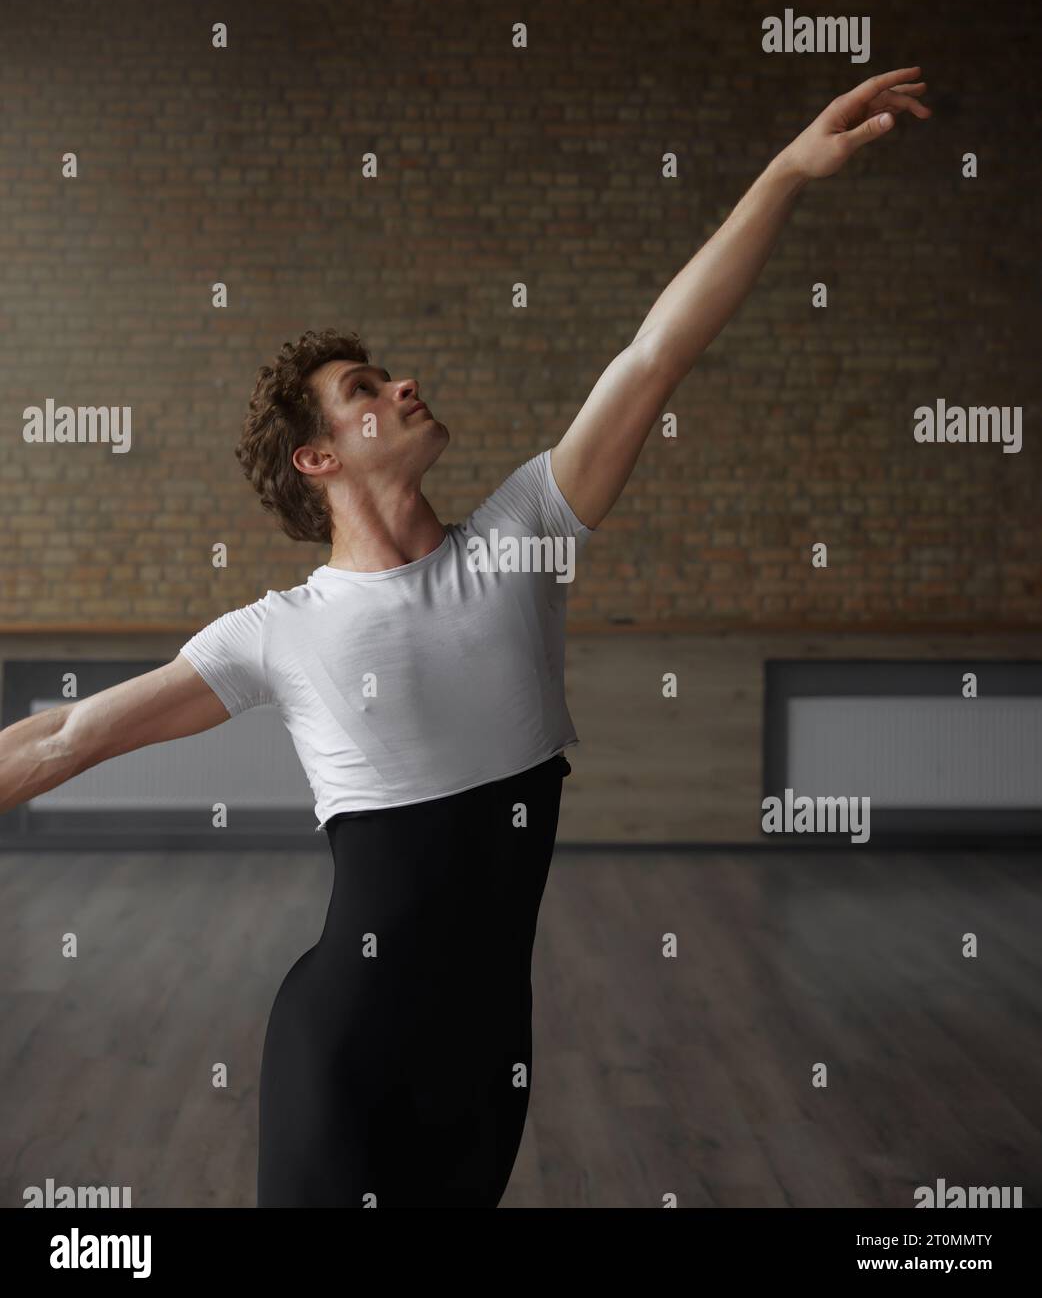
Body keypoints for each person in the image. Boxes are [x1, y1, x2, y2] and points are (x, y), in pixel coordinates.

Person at [0, 69, 929, 1207]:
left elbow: (653, 355)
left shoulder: (524, 537)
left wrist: (785, 172)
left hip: (491, 1069)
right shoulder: (278, 634)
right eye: (364, 389)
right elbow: (60, 741)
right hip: (340, 1053)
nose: (403, 383)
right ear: (318, 457)